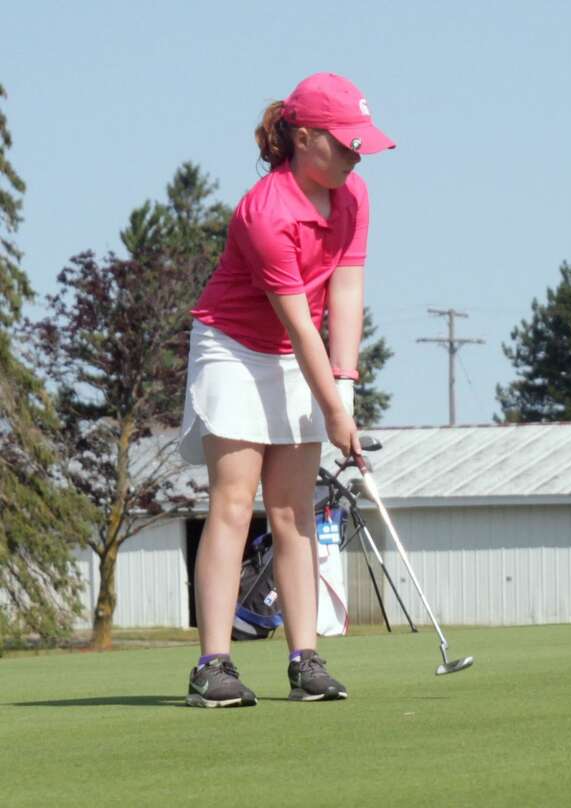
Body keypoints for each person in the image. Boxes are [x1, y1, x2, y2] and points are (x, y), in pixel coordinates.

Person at [178, 73, 394, 707]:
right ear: (304, 138)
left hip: (297, 355)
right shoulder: (265, 212)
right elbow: (299, 322)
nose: (357, 155)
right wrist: (330, 408)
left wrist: (345, 392)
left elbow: (346, 296)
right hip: (235, 349)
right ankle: (212, 665)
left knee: (295, 509)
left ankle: (306, 659)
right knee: (233, 502)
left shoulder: (353, 198)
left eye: (361, 144)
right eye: (345, 143)